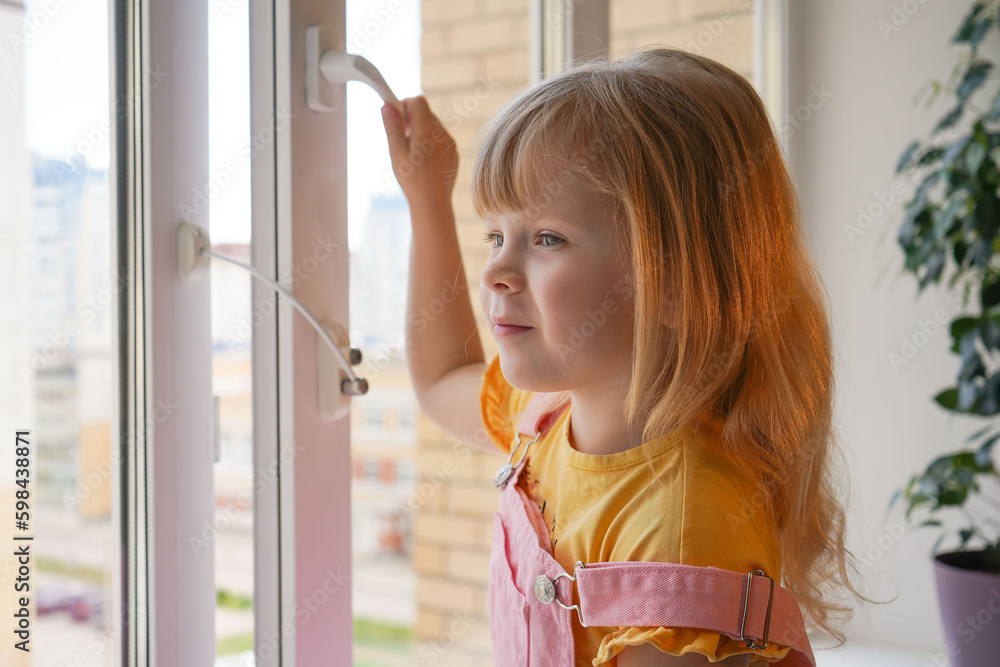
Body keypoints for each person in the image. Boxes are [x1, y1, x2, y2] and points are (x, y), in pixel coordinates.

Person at [380, 46, 865, 667]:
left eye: (547, 237)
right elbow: (443, 377)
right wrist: (427, 198)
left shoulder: (682, 529)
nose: (496, 270)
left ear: (677, 281)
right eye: (496, 235)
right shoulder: (549, 414)